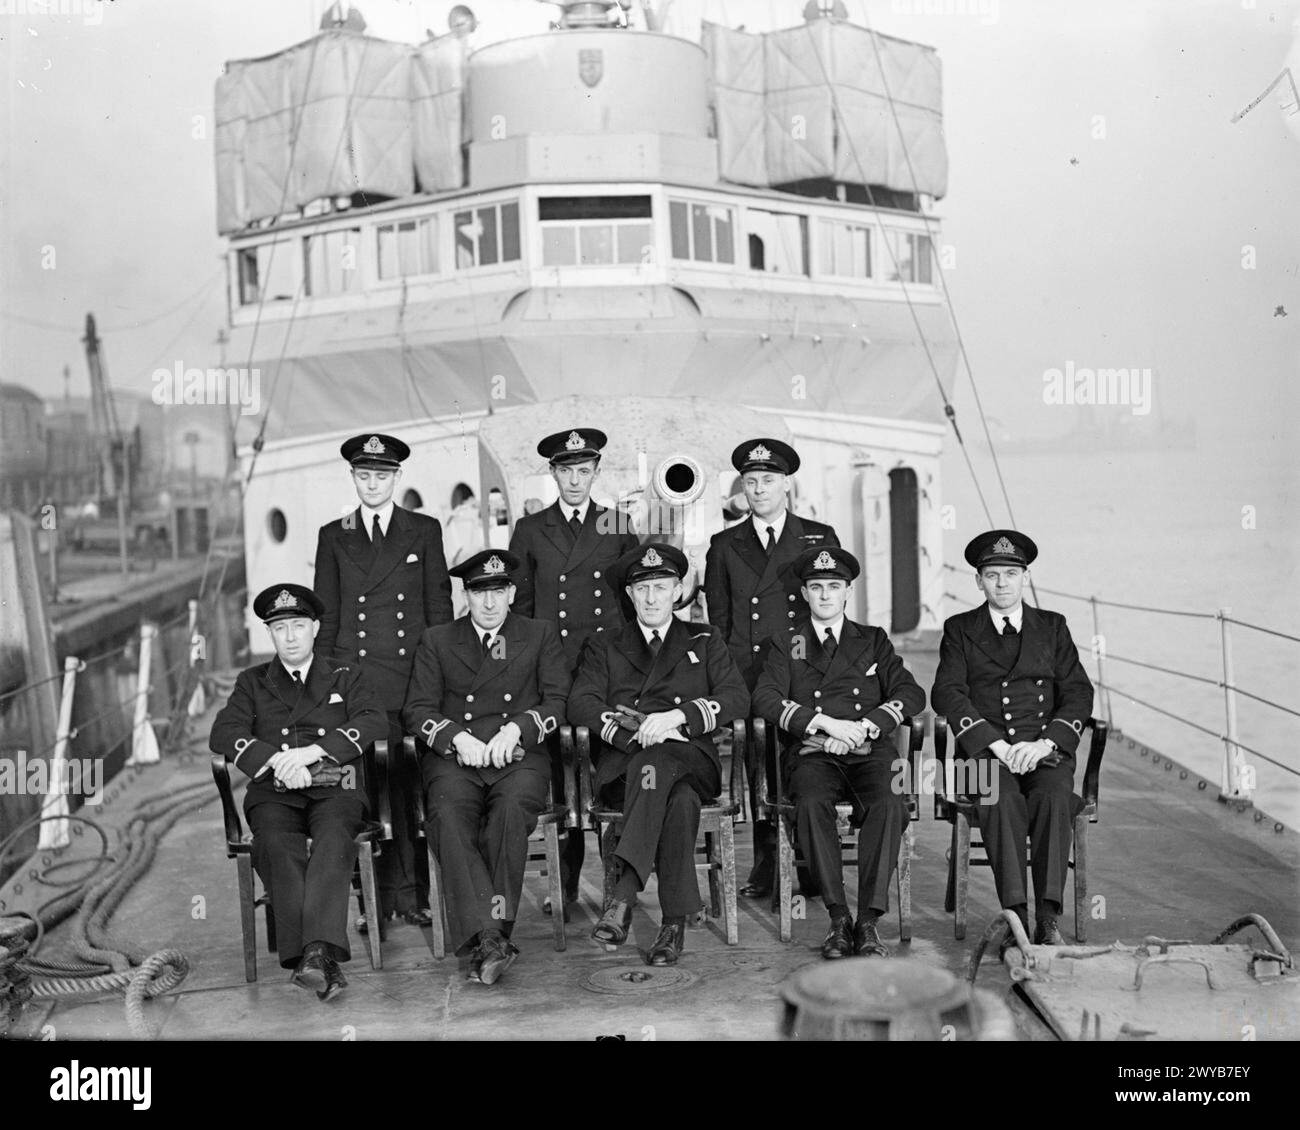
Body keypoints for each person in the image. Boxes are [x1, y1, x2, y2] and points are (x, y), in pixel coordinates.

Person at [568, 543, 750, 965]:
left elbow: (735, 697)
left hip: (692, 758)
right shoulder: (605, 644)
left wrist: (676, 719)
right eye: (642, 588)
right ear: (630, 594)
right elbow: (581, 701)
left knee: (663, 765)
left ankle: (623, 896)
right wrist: (631, 733)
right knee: (678, 800)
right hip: (627, 768)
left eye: (661, 587)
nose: (651, 598)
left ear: (678, 590)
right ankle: (673, 925)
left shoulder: (704, 639)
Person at [209, 583, 387, 1001]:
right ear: (270, 634)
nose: (290, 637)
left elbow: (374, 721)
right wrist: (277, 761)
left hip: (335, 785)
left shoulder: (347, 674)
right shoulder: (252, 681)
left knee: (332, 838)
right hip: (275, 790)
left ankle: (313, 953)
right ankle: (318, 953)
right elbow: (225, 731)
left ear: (315, 628)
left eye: (298, 626)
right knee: (275, 842)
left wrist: (314, 752)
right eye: (280, 628)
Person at [402, 550, 570, 985]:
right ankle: (492, 937)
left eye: (498, 592)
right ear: (465, 595)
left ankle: (488, 934)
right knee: (448, 816)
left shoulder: (538, 634)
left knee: (510, 813)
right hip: (457, 759)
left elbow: (557, 700)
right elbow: (417, 709)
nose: (490, 603)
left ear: (512, 592)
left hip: (517, 756)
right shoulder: (438, 640)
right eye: (480, 593)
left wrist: (517, 730)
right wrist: (456, 736)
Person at [751, 547, 925, 958]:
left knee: (890, 802)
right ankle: (837, 917)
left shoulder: (873, 640)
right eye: (816, 587)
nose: (825, 595)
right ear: (805, 594)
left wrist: (864, 726)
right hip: (814, 752)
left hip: (870, 751)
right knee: (810, 803)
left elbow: (910, 693)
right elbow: (766, 698)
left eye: (834, 587)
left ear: (847, 591)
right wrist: (826, 724)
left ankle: (868, 920)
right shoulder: (788, 642)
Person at [313, 432, 453, 934]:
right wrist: (326, 689)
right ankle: (372, 901)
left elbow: (439, 616)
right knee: (364, 793)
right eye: (364, 475)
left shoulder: (423, 530)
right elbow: (325, 620)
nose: (373, 484)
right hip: (357, 684)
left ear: (397, 478)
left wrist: (441, 681)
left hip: (411, 681)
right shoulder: (334, 535)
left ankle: (412, 897)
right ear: (354, 477)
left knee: (409, 787)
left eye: (382, 475)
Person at [930, 530, 1095, 945]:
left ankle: (1049, 918)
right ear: (978, 581)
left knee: (1054, 796)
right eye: (991, 574)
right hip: (981, 755)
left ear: (1025, 577)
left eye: (1010, 573)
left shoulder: (1052, 627)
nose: (1001, 583)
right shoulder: (960, 629)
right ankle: (1015, 916)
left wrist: (1046, 744)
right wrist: (997, 746)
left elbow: (1078, 692)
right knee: (997, 798)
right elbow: (946, 692)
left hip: (1042, 752)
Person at [507, 427, 640, 915]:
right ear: (553, 474)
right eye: (566, 471)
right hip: (554, 670)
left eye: (584, 471)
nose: (575, 480)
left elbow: (633, 605)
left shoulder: (617, 525)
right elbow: (519, 609)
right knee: (561, 779)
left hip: (607, 670)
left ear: (596, 473)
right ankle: (563, 884)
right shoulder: (529, 529)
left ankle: (615, 887)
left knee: (611, 772)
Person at [704, 437, 839, 900]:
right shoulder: (724, 545)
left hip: (803, 672)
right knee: (760, 767)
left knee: (807, 761)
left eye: (768, 480)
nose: (759, 489)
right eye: (751, 481)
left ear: (786, 484)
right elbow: (718, 625)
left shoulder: (818, 538)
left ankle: (812, 863)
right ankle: (767, 862)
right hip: (749, 676)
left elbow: (829, 613)